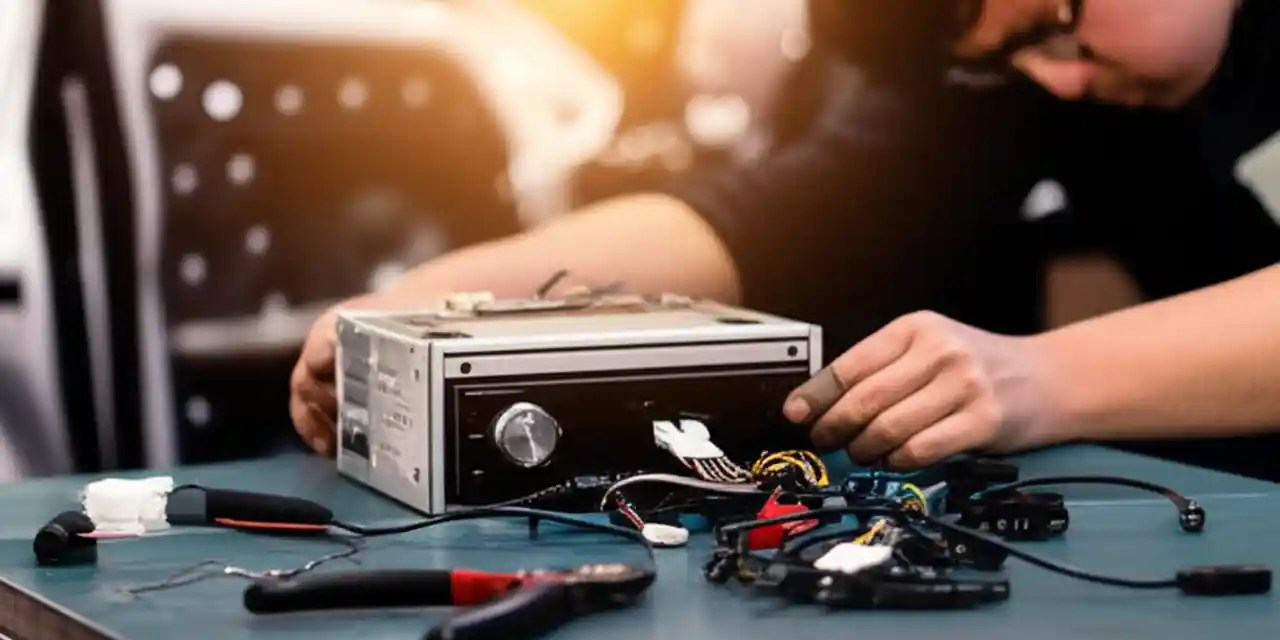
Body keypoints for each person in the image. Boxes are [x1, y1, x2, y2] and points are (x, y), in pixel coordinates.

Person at [291, 0, 1280, 476]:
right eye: (1016, 54)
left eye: (1058, 17)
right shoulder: (1035, 86)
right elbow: (760, 218)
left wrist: (1041, 378)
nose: (1059, 75)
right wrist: (427, 306)